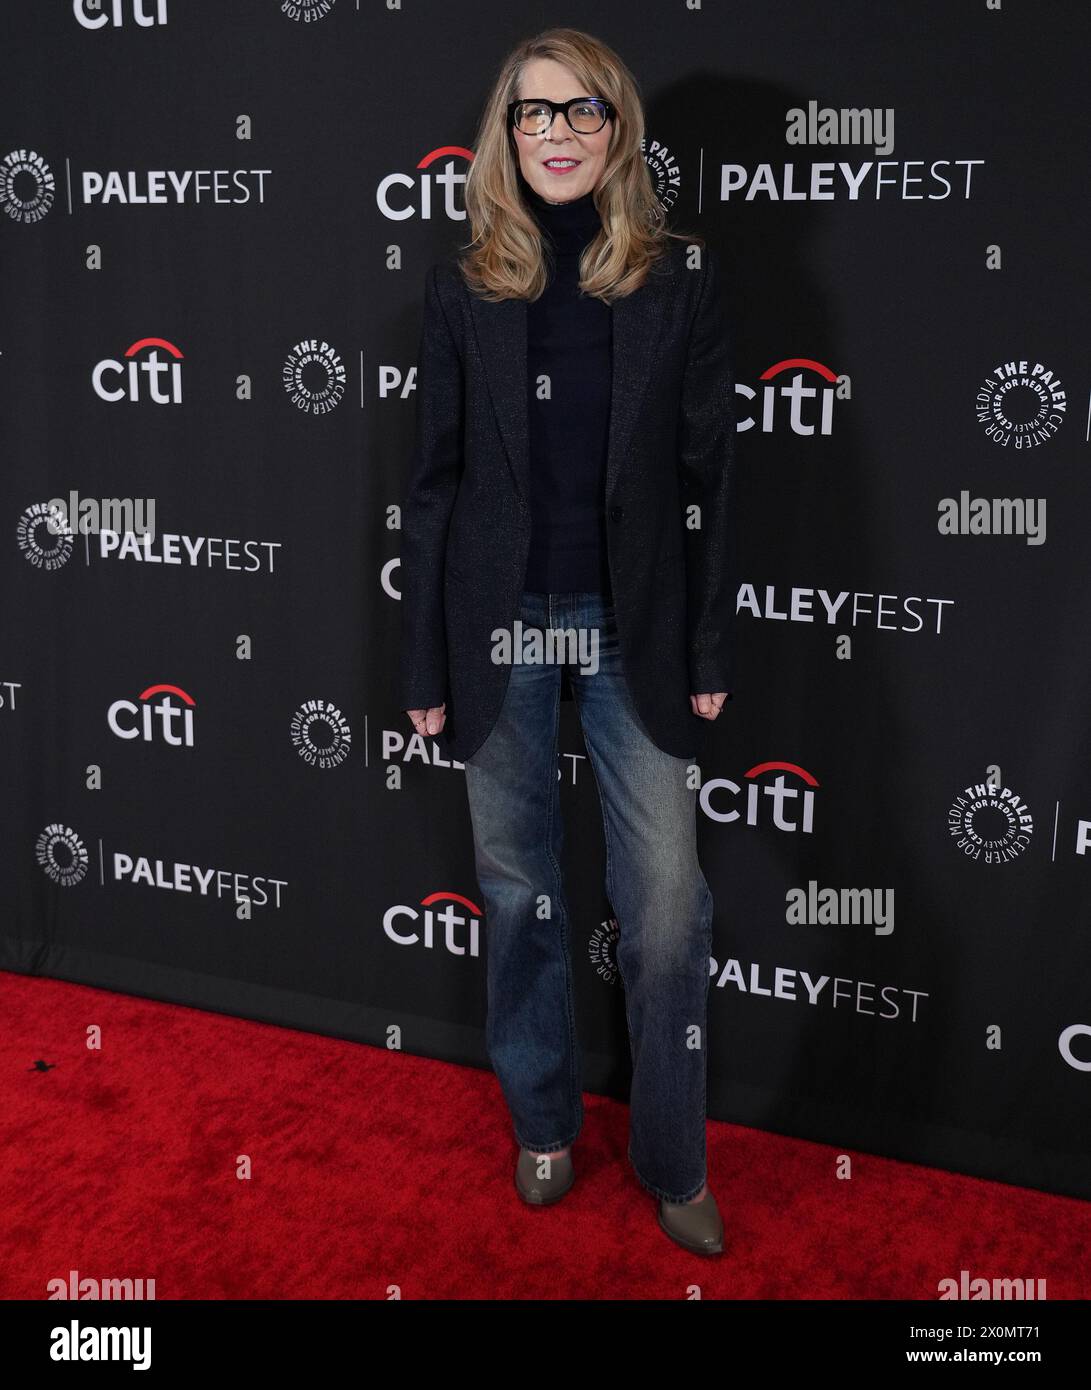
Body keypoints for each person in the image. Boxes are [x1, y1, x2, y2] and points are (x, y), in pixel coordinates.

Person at [400, 27, 738, 1257]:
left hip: (626, 630)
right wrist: (424, 665)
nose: (553, 132)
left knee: (663, 911)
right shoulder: (462, 284)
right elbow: (431, 486)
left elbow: (710, 475)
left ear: (616, 129)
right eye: (530, 113)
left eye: (578, 111)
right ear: (505, 133)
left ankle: (672, 1157)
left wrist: (704, 652)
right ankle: (542, 1120)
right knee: (520, 895)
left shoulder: (679, 279)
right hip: (496, 630)